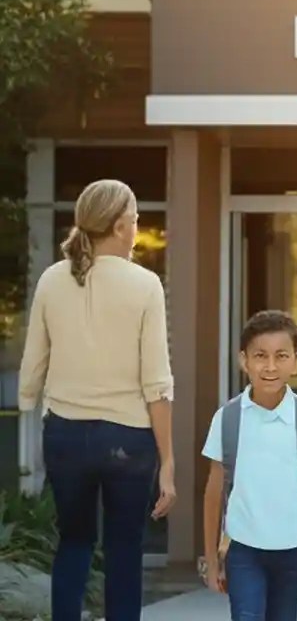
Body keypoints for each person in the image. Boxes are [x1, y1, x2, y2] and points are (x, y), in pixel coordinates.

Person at [18, 179, 177, 621]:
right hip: (129, 439)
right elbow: (157, 384)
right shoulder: (146, 285)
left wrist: (32, 420)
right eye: (137, 222)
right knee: (125, 550)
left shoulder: (53, 279)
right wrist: (168, 461)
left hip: (65, 435)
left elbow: (32, 367)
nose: (136, 230)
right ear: (123, 225)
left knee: (73, 543)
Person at [201, 310, 297, 621]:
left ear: (296, 361)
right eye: (260, 356)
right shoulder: (228, 418)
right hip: (243, 547)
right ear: (243, 360)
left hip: (293, 547)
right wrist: (210, 558)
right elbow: (213, 492)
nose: (271, 366)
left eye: (281, 356)